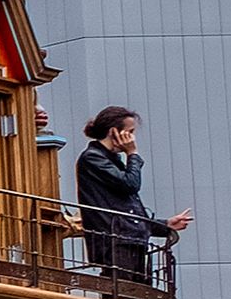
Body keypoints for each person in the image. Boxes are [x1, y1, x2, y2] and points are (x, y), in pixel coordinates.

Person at [75, 107, 190, 286]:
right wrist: (132, 154)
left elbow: (126, 208)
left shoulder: (111, 161)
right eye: (130, 132)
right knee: (121, 293)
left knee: (137, 293)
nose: (132, 138)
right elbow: (130, 184)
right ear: (114, 131)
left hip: (128, 240)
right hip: (115, 241)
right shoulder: (93, 158)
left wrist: (165, 225)